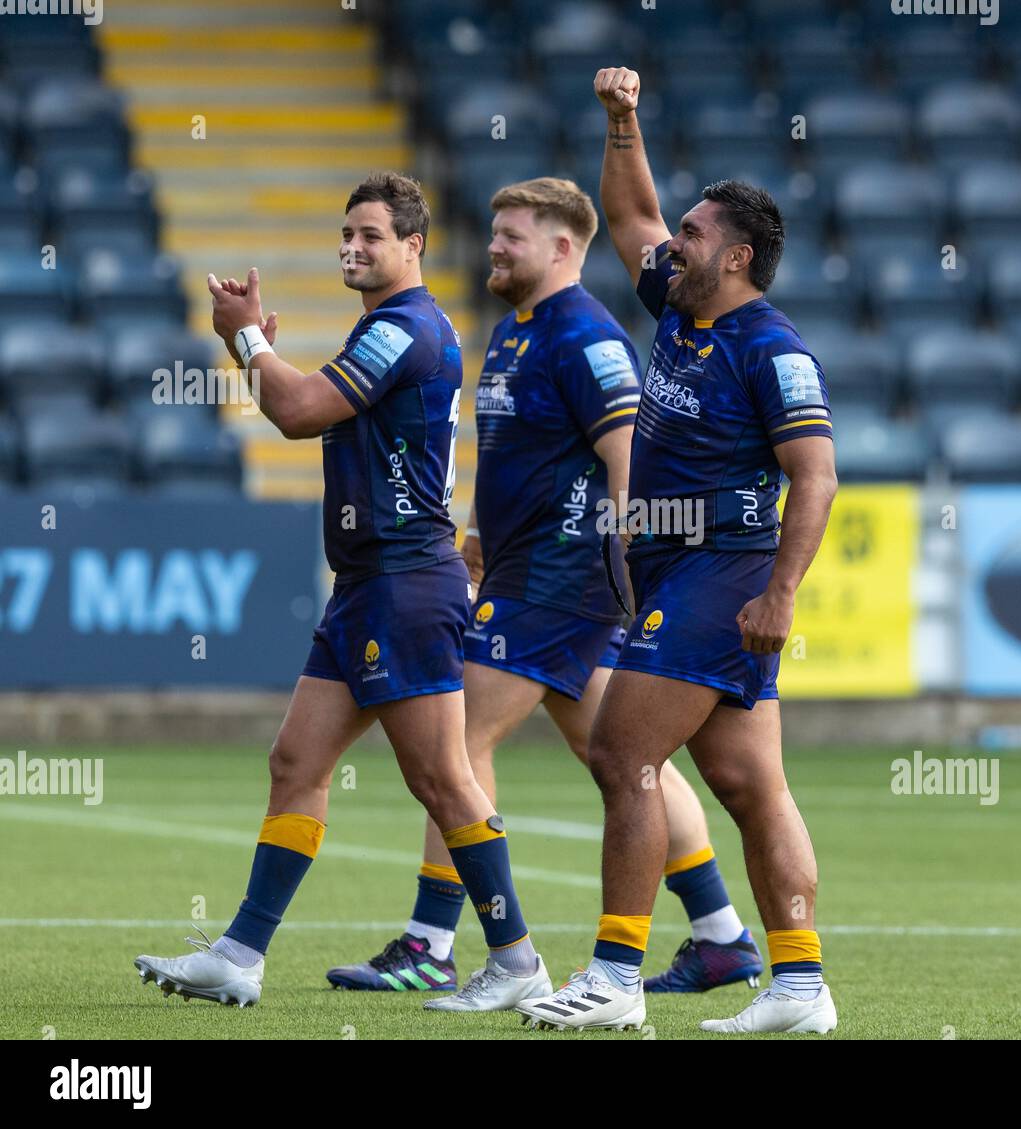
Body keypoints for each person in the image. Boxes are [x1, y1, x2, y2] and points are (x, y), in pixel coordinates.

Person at [324, 177, 762, 1002]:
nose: (493, 246)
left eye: (511, 236)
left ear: (563, 247)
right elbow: (513, 454)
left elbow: (627, 451)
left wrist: (636, 555)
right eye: (493, 232)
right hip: (525, 570)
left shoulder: (587, 337)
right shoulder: (516, 331)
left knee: (457, 742)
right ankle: (721, 933)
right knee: (620, 752)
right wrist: (482, 540)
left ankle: (432, 939)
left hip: (562, 575)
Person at [133, 172, 549, 1011]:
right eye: (346, 234)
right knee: (297, 760)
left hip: (405, 583)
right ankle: (240, 953)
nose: (352, 247)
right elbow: (301, 403)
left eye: (370, 235)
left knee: (442, 779)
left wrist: (249, 342)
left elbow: (298, 411)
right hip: (365, 586)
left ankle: (516, 958)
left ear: (413, 246)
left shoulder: (406, 328)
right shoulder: (385, 330)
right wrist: (252, 349)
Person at [517, 69, 839, 1034]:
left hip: (723, 570)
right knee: (747, 784)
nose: (672, 242)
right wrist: (623, 121)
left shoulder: (771, 350)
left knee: (623, 753)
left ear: (736, 257)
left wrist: (781, 596)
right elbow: (631, 211)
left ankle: (614, 977)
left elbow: (815, 479)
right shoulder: (680, 304)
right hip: (675, 569)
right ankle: (801, 985)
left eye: (694, 235)